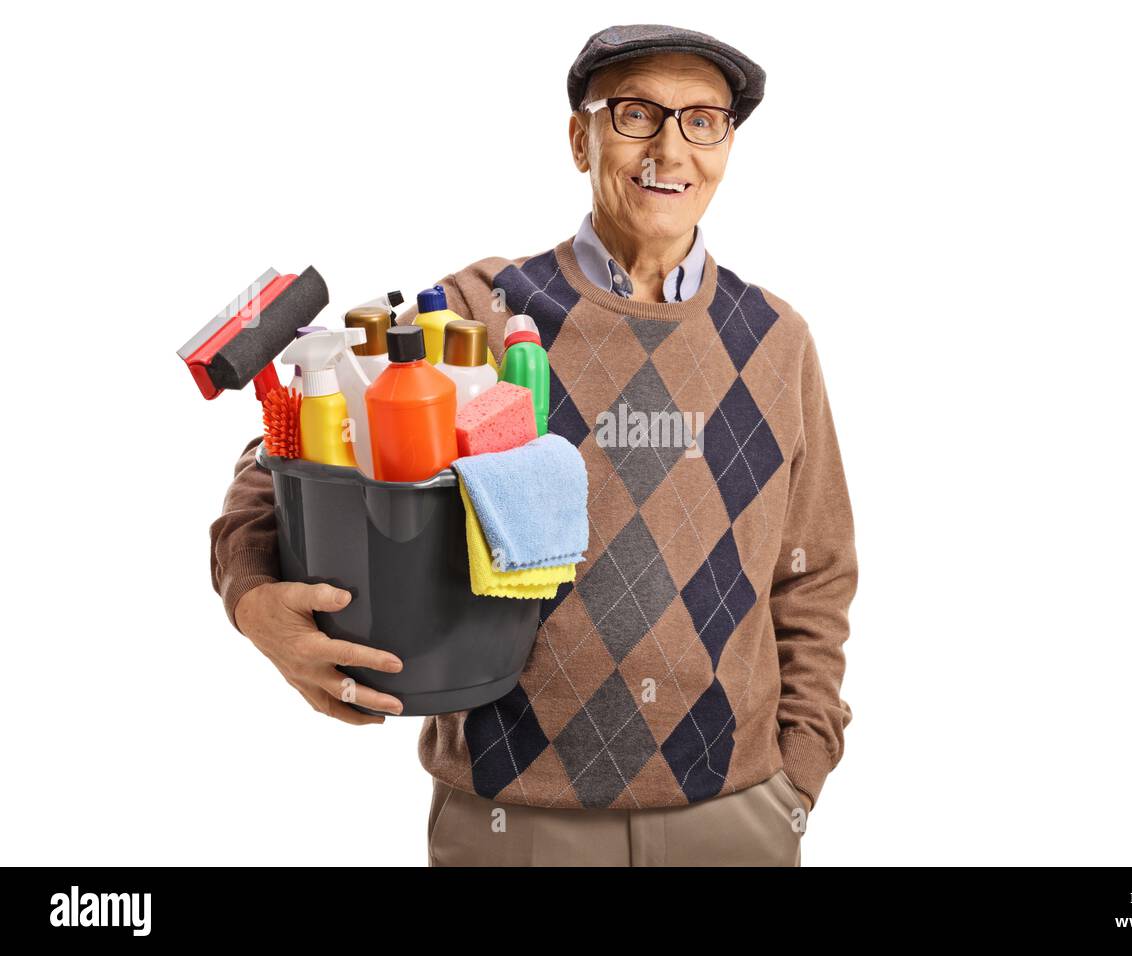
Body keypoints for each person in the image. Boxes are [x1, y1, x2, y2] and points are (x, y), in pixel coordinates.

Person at [211, 23, 857, 867]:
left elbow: (815, 577)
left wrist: (797, 780)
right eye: (635, 114)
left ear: (727, 143)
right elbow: (286, 450)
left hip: (733, 820)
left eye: (704, 119)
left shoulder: (777, 340)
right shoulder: (472, 317)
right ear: (579, 138)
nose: (670, 147)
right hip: (509, 822)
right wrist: (252, 596)